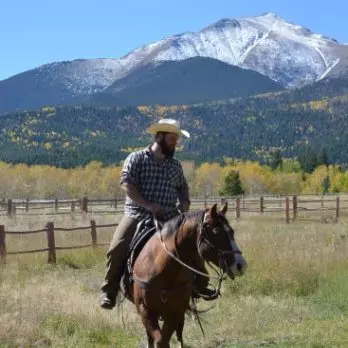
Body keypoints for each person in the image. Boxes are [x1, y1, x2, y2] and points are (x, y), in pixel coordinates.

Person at [100, 119, 192, 310]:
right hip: (138, 214)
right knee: (117, 247)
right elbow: (127, 184)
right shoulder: (137, 158)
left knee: (192, 245)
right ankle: (109, 290)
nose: (175, 142)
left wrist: (185, 202)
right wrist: (148, 205)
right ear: (159, 136)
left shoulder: (175, 165)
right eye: (172, 138)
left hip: (170, 216)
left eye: (177, 138)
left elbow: (183, 187)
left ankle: (196, 287)